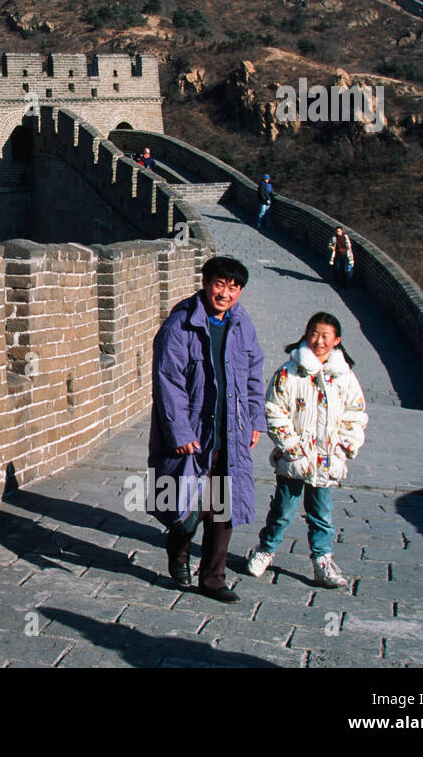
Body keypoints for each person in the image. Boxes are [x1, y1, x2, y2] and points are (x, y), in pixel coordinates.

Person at [148, 255, 267, 602]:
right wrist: (180, 431)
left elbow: (253, 377)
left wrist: (255, 420)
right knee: (187, 504)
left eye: (233, 287)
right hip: (195, 433)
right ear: (205, 283)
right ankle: (178, 548)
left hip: (232, 432)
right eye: (219, 284)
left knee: (223, 505)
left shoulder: (243, 326)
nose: (225, 293)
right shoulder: (180, 326)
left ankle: (213, 578)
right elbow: (168, 382)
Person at [246, 312, 367, 588]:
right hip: (295, 458)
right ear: (306, 334)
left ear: (337, 340)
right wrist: (291, 447)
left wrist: (344, 448)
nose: (319, 341)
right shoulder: (288, 373)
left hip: (327, 459)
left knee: (322, 513)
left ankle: (322, 559)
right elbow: (274, 409)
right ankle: (265, 550)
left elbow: (356, 413)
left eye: (326, 336)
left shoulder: (345, 378)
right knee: (283, 509)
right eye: (314, 333)